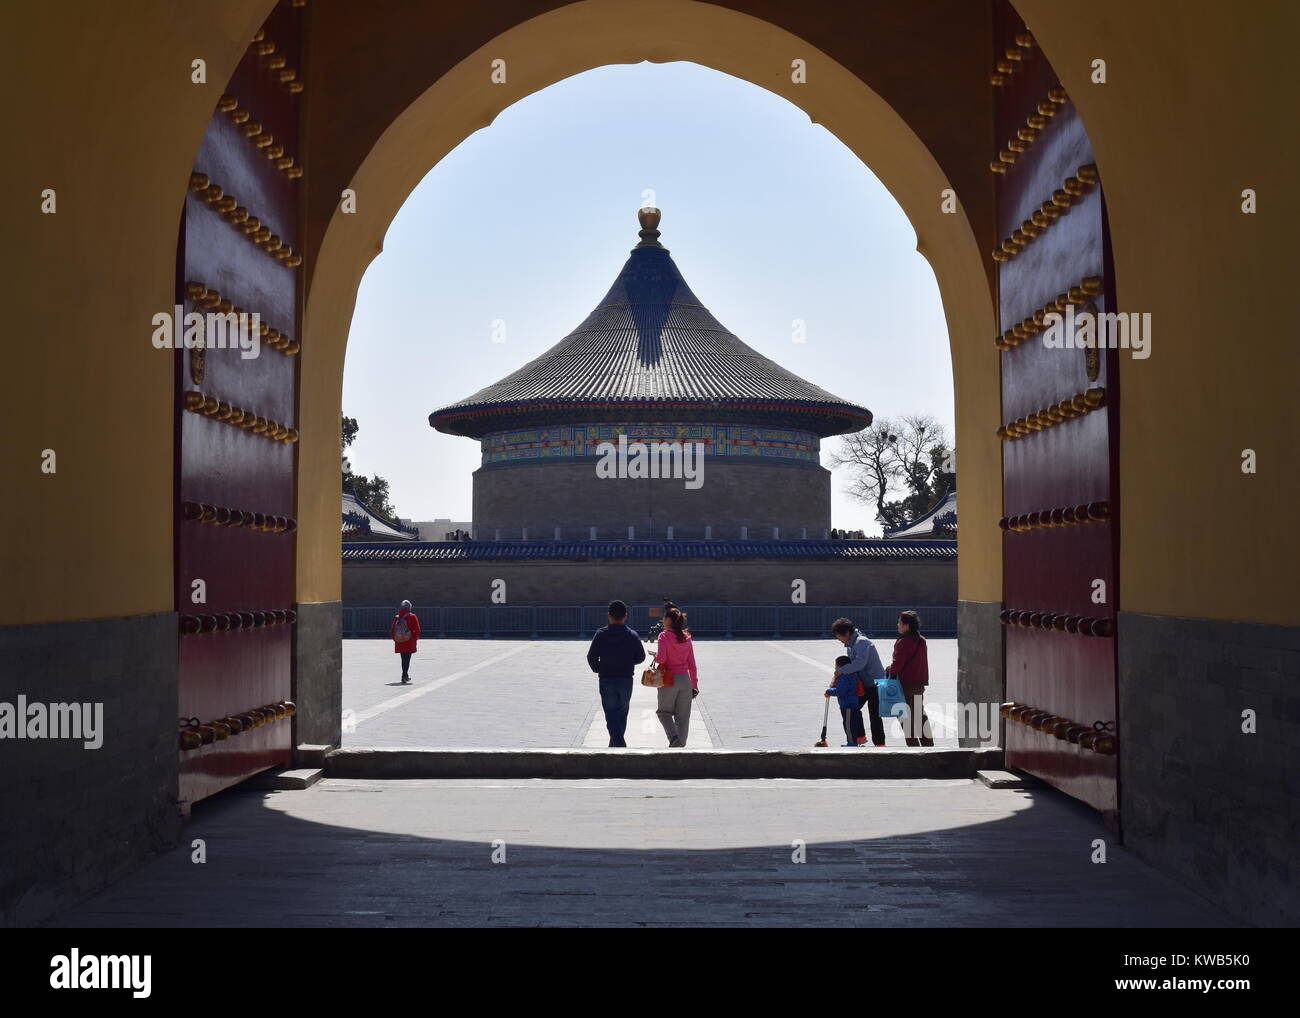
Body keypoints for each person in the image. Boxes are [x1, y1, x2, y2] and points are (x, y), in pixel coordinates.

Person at [585, 599, 646, 747]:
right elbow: (641, 657)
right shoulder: (632, 635)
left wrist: (599, 668)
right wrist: (629, 662)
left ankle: (617, 745)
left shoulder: (601, 634)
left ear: (609, 616)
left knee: (611, 715)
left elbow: (591, 656)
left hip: (606, 679)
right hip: (625, 680)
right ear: (626, 616)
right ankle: (618, 746)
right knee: (621, 714)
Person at [830, 617, 886, 746]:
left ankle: (880, 744)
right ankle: (860, 737)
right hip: (863, 684)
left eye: (838, 636)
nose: (838, 639)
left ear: (847, 633)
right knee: (852, 708)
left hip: (875, 684)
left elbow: (859, 664)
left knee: (875, 715)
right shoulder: (851, 644)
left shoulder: (862, 642)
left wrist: (841, 671)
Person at [653, 607, 698, 747]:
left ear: (668, 620)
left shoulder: (664, 636)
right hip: (685, 680)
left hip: (669, 679)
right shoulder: (686, 637)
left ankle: (674, 739)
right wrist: (694, 685)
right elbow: (692, 664)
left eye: (663, 618)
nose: (662, 621)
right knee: (683, 717)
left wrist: (655, 656)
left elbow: (662, 658)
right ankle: (681, 744)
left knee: (663, 712)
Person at [888, 609, 934, 746]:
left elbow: (897, 665)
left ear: (906, 625)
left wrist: (889, 671)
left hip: (905, 685)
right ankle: (928, 745)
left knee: (905, 718)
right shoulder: (921, 640)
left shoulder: (903, 642)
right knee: (919, 715)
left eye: (899, 622)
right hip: (919, 684)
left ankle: (914, 747)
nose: (898, 625)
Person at [826, 654, 866, 746]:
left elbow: (840, 691)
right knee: (851, 723)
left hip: (847, 705)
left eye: (835, 666)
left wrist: (829, 691)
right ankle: (853, 741)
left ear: (840, 666)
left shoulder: (845, 677)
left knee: (848, 725)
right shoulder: (852, 674)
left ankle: (851, 742)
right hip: (851, 703)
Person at [389, 599, 421, 683]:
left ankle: (405, 674)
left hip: (399, 641)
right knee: (407, 659)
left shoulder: (397, 617)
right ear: (409, 607)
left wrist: (395, 639)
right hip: (409, 641)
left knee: (403, 659)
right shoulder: (412, 616)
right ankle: (404, 675)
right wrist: (415, 639)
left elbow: (392, 630)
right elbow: (417, 629)